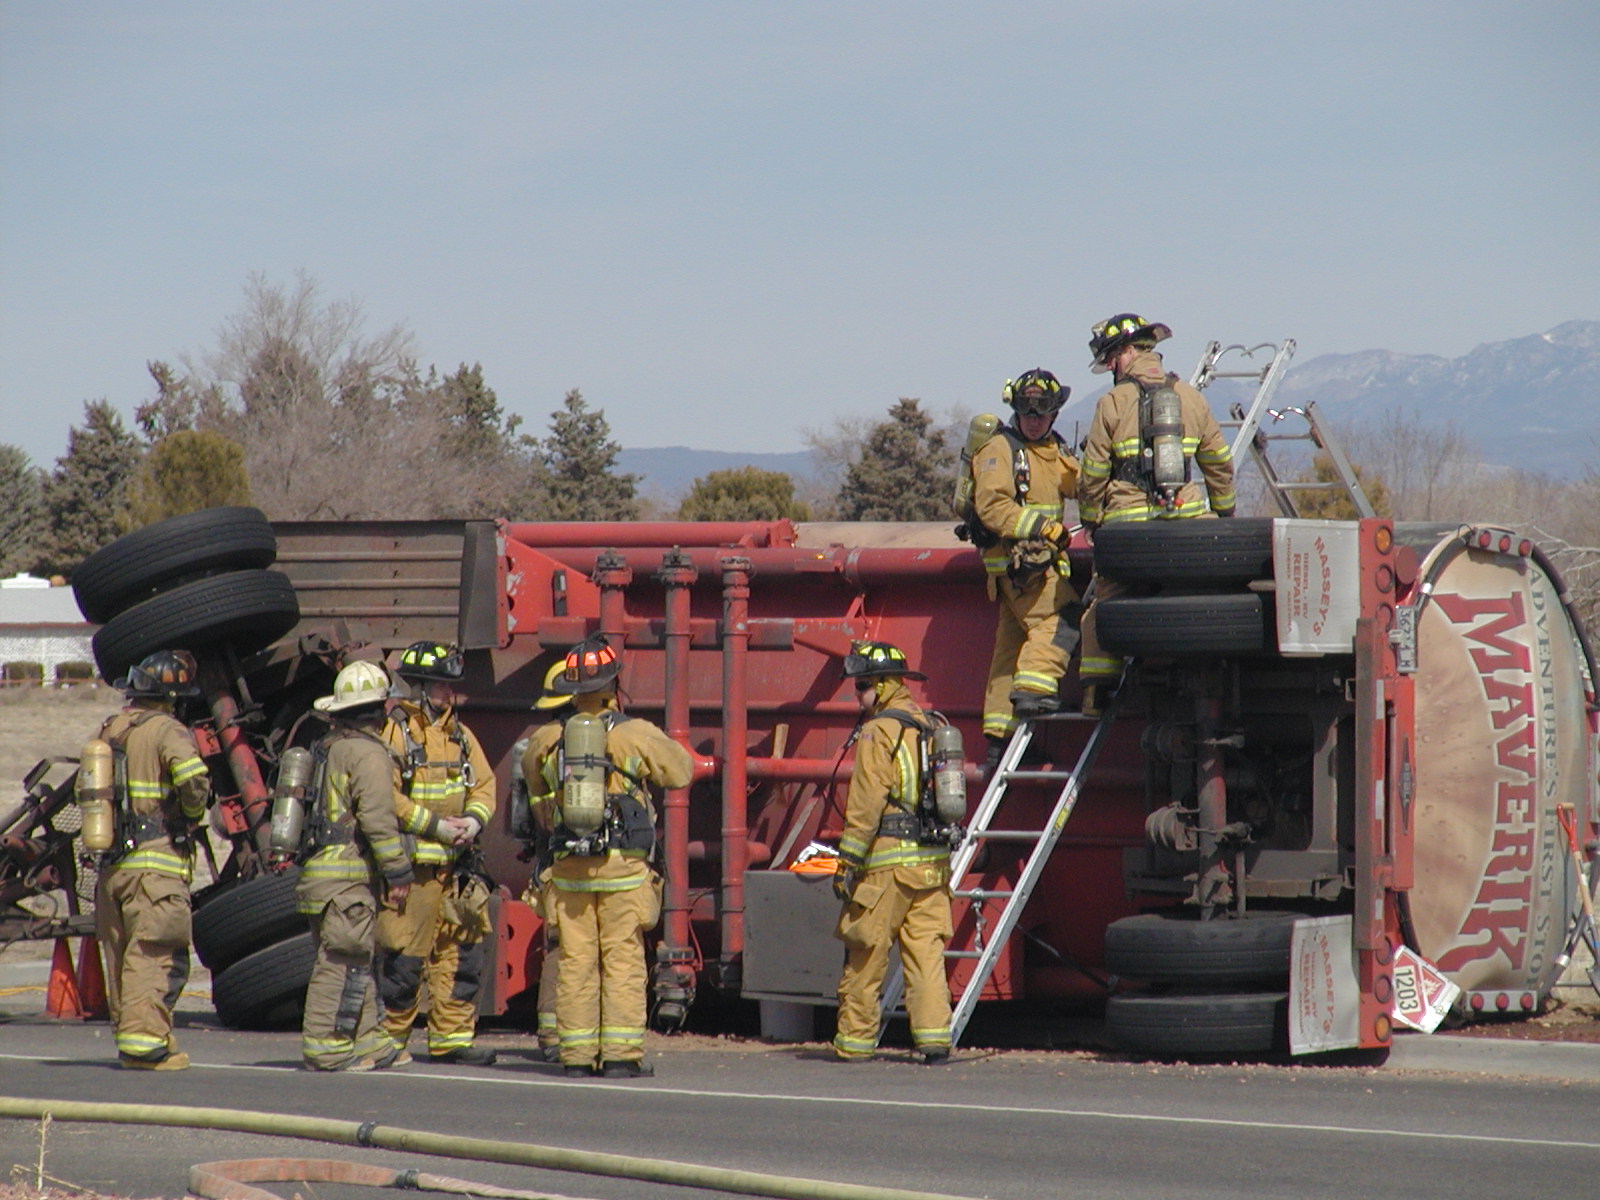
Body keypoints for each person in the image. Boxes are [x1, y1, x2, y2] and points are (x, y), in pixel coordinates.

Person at [519, 634, 693, 1079]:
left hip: (570, 867)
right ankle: (619, 1056)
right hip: (623, 869)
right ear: (615, 683)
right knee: (621, 959)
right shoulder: (635, 735)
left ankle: (575, 1057)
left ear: (571, 689)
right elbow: (681, 772)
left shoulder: (546, 740)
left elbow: (537, 800)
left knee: (575, 961)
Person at [297, 659, 465, 1072]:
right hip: (347, 875)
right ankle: (325, 1045)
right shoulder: (368, 755)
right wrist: (398, 871)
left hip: (324, 874)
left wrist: (437, 831)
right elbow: (377, 816)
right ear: (380, 708)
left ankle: (370, 1041)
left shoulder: (328, 747)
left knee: (358, 956)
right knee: (340, 961)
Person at [1077, 314, 1236, 714]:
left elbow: (1092, 473)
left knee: (1104, 603)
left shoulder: (1112, 402)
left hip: (1129, 528)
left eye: (1112, 358)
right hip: (1187, 524)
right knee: (1201, 596)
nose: (1111, 368)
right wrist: (1223, 516)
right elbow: (1218, 463)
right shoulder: (1192, 398)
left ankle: (1097, 692)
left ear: (1128, 352)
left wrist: (1094, 521)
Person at [830, 641, 953, 1065]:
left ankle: (854, 1045)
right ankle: (935, 1042)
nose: (856, 695)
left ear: (881, 688)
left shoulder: (878, 731)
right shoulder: (931, 724)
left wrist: (848, 864)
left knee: (865, 952)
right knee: (926, 955)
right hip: (932, 865)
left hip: (887, 866)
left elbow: (865, 805)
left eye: (861, 686)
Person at [378, 641, 499, 1066]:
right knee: (405, 956)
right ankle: (389, 1042)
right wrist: (437, 827)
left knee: (461, 952)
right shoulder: (394, 733)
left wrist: (474, 821)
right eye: (443, 686)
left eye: (452, 688)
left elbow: (484, 786)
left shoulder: (460, 737)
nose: (451, 694)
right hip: (415, 869)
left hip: (457, 867)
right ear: (421, 687)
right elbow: (386, 798)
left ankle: (451, 1040)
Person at [90, 650, 211, 1070]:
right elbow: (193, 780)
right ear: (171, 697)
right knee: (154, 952)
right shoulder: (167, 730)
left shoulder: (110, 729)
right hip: (154, 865)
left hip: (111, 866)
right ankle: (146, 1048)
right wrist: (192, 817)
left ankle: (131, 1040)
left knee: (122, 955)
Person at [969, 368, 1081, 766]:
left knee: (1010, 651)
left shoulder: (1051, 448)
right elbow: (993, 506)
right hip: (1019, 567)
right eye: (1027, 412)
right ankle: (1034, 695)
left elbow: (1076, 483)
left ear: (1054, 412)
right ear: (1015, 409)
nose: (1035, 419)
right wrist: (1047, 527)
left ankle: (1002, 741)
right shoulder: (1000, 450)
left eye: (1043, 412)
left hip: (1029, 568)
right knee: (1062, 619)